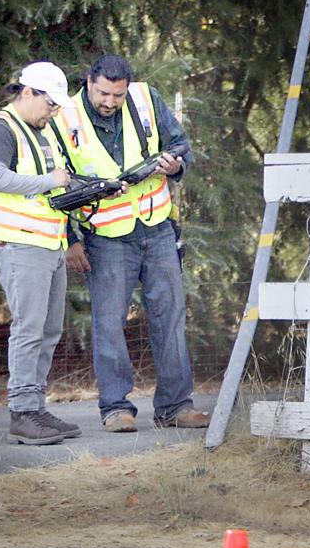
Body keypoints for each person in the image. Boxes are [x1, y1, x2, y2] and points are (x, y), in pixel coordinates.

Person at [58, 54, 209, 432]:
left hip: (157, 229)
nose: (110, 102)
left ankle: (175, 406)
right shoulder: (65, 116)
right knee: (109, 324)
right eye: (103, 93)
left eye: (118, 95)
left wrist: (175, 164)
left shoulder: (146, 98)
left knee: (170, 319)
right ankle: (115, 409)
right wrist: (71, 239)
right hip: (106, 237)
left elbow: (179, 144)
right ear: (88, 82)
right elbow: (55, 186)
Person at [0, 62, 82, 445]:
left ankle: (35, 408)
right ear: (27, 93)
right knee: (28, 329)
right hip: (18, 242)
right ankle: (22, 412)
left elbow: (54, 184)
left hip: (48, 242)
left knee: (48, 330)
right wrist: (48, 182)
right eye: (49, 104)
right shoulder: (0, 127)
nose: (53, 111)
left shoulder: (43, 130)